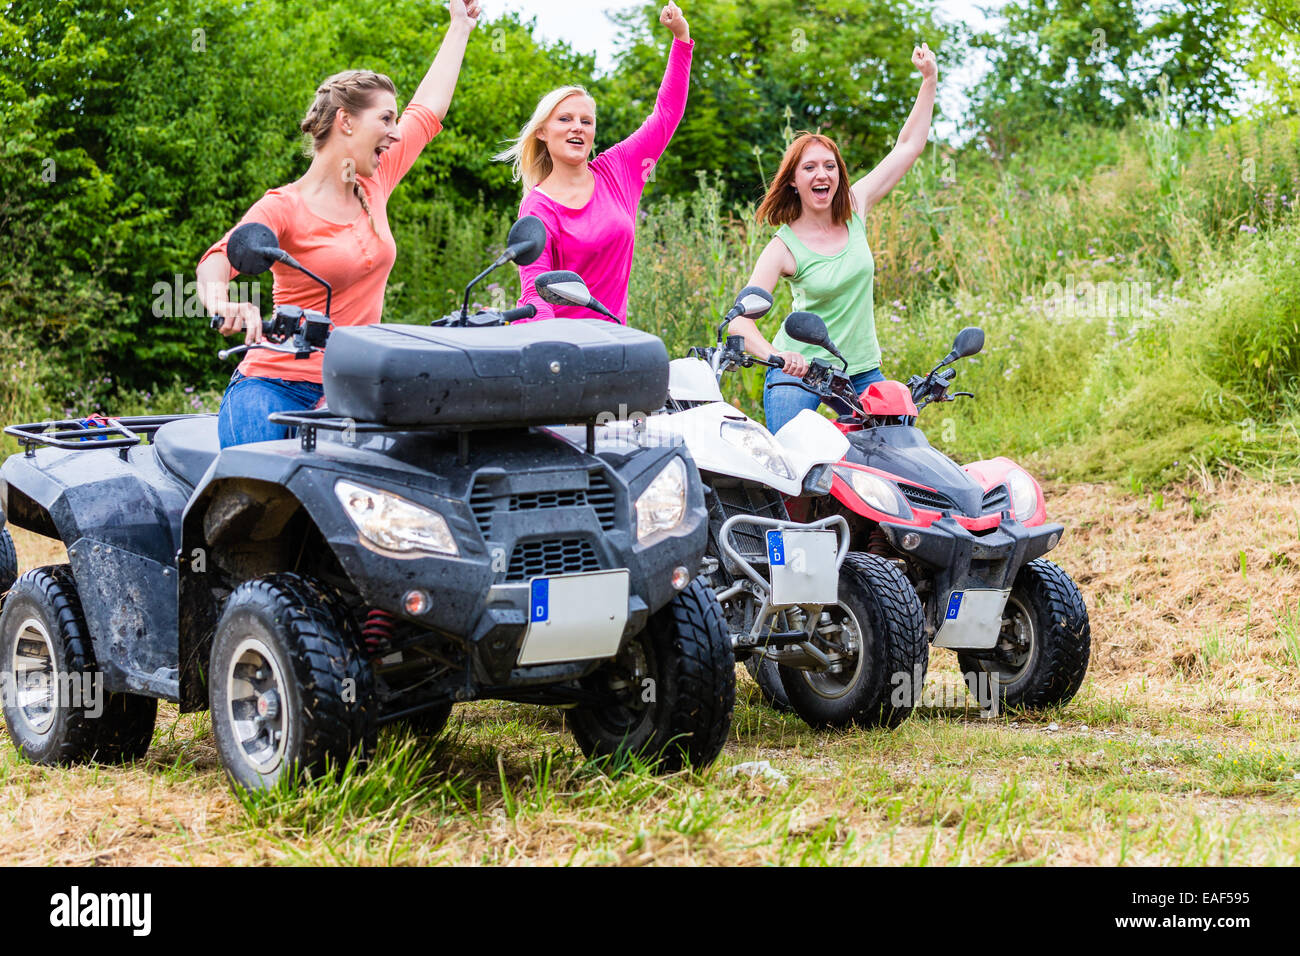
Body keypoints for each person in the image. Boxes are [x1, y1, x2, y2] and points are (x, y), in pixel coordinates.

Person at [197, 1, 481, 448]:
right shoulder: (286, 206)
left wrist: (460, 27)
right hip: (271, 385)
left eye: (394, 119)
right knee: (268, 505)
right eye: (385, 119)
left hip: (349, 391)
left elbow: (428, 110)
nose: (394, 131)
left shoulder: (375, 180)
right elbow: (216, 260)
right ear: (346, 122)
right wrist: (223, 304)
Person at [729, 43, 938, 435]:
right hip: (800, 371)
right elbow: (740, 325)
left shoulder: (856, 209)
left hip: (859, 371)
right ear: (794, 181)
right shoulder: (784, 247)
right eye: (809, 167)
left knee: (891, 456)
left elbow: (907, 147)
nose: (821, 174)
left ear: (839, 175)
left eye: (829, 166)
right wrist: (778, 356)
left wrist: (929, 81)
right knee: (798, 474)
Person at [496, 2, 692, 324]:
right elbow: (535, 294)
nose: (577, 127)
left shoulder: (618, 170)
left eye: (586, 121)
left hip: (614, 341)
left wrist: (681, 38)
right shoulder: (538, 207)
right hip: (558, 348)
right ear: (542, 132)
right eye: (565, 119)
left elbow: (666, 115)